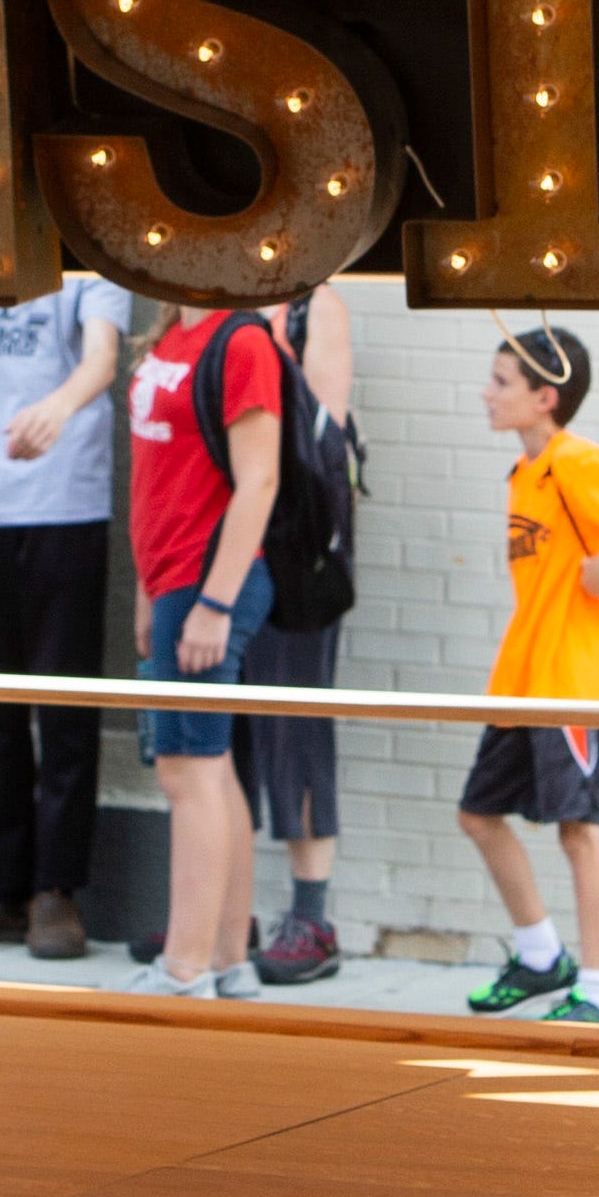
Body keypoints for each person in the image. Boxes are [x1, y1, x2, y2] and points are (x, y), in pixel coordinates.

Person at [0, 271, 128, 957]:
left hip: (64, 503)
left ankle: (56, 892)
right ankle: (2, 891)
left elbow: (103, 356)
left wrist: (60, 407)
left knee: (65, 707)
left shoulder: (84, 261)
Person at [120, 289, 288, 998]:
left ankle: (183, 968)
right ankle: (228, 961)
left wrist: (213, 604)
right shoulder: (170, 335)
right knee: (210, 771)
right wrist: (146, 592)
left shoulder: (240, 341)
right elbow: (155, 481)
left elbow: (260, 480)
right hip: (174, 584)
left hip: (207, 582)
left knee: (186, 773)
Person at [462, 322, 599, 1023]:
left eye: (502, 383)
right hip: (520, 677)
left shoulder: (578, 464)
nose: (486, 394)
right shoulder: (525, 472)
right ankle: (539, 957)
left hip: (571, 680)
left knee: (577, 831)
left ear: (544, 398)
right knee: (478, 815)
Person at [230, 277, 361, 984]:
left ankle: (312, 917)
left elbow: (319, 437)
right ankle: (229, 909)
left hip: (292, 554)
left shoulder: (317, 308)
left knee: (294, 727)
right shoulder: (210, 306)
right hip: (222, 546)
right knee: (229, 730)